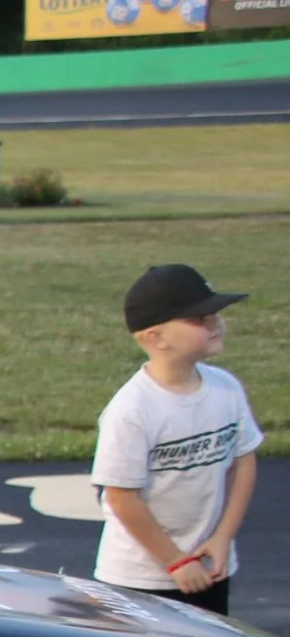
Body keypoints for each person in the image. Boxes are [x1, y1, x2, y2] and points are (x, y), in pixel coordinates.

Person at [92, 264, 260, 616]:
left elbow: (243, 462)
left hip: (210, 564)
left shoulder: (226, 388)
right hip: (140, 577)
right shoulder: (132, 409)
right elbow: (121, 497)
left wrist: (223, 538)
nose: (216, 323)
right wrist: (175, 561)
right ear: (156, 338)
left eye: (216, 313)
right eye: (199, 318)